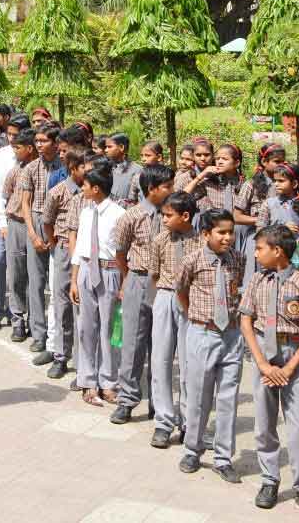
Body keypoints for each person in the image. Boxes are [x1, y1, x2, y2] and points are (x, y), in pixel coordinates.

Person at [239, 224, 299, 516]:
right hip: (264, 350)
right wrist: (261, 362)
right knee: (264, 423)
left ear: (277, 251)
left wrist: (289, 367)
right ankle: (269, 478)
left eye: (260, 248)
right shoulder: (257, 281)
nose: (256, 253)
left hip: (293, 355)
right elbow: (246, 322)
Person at [176, 207, 246, 481]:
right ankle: (193, 449)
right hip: (202, 332)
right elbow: (181, 292)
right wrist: (196, 317)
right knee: (199, 396)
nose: (228, 238)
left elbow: (236, 289)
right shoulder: (192, 260)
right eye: (222, 232)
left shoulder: (237, 259)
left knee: (228, 397)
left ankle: (223, 457)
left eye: (231, 232)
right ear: (206, 234)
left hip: (230, 334)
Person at [110, 165, 172, 424]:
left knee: (161, 346)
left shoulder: (172, 215)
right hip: (138, 278)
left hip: (166, 284)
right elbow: (120, 253)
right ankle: (127, 400)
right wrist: (129, 279)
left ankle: (158, 403)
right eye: (167, 186)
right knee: (133, 344)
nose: (172, 190)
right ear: (151, 189)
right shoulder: (131, 216)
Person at [70, 158, 125, 406]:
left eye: (85, 185)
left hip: (109, 271)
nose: (82, 189)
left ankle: (109, 382)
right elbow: (80, 247)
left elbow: (123, 251)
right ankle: (88, 381)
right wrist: (74, 280)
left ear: (97, 189)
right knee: (86, 328)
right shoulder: (85, 212)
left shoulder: (119, 214)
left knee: (109, 330)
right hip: (85, 271)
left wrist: (123, 283)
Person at [149, 191, 201, 449]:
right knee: (160, 359)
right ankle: (163, 420)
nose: (164, 219)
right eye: (163, 214)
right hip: (166, 296)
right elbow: (154, 274)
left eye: (169, 215)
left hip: (191, 302)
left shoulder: (202, 242)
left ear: (186, 216)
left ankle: (189, 422)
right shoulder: (159, 240)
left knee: (190, 363)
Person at [41, 148, 89, 380]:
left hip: (87, 252)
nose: (89, 172)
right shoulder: (58, 192)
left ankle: (83, 362)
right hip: (63, 250)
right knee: (61, 304)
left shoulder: (91, 192)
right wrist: (54, 244)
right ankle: (61, 356)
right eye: (84, 168)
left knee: (82, 305)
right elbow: (47, 221)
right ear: (73, 169)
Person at [20, 126, 63, 363]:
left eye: (44, 140)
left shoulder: (63, 167)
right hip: (36, 220)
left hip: (57, 222)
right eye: (36, 140)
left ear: (55, 143)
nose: (39, 144)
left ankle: (58, 337)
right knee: (35, 281)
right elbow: (25, 203)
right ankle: (38, 332)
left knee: (56, 284)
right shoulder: (31, 168)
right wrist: (33, 234)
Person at [0, 128, 33, 340]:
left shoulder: (41, 169)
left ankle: (35, 325)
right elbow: (5, 193)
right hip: (16, 223)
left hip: (34, 226)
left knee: (35, 279)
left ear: (29, 148)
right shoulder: (16, 170)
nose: (14, 151)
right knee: (16, 275)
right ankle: (18, 320)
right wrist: (3, 221)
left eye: (17, 148)